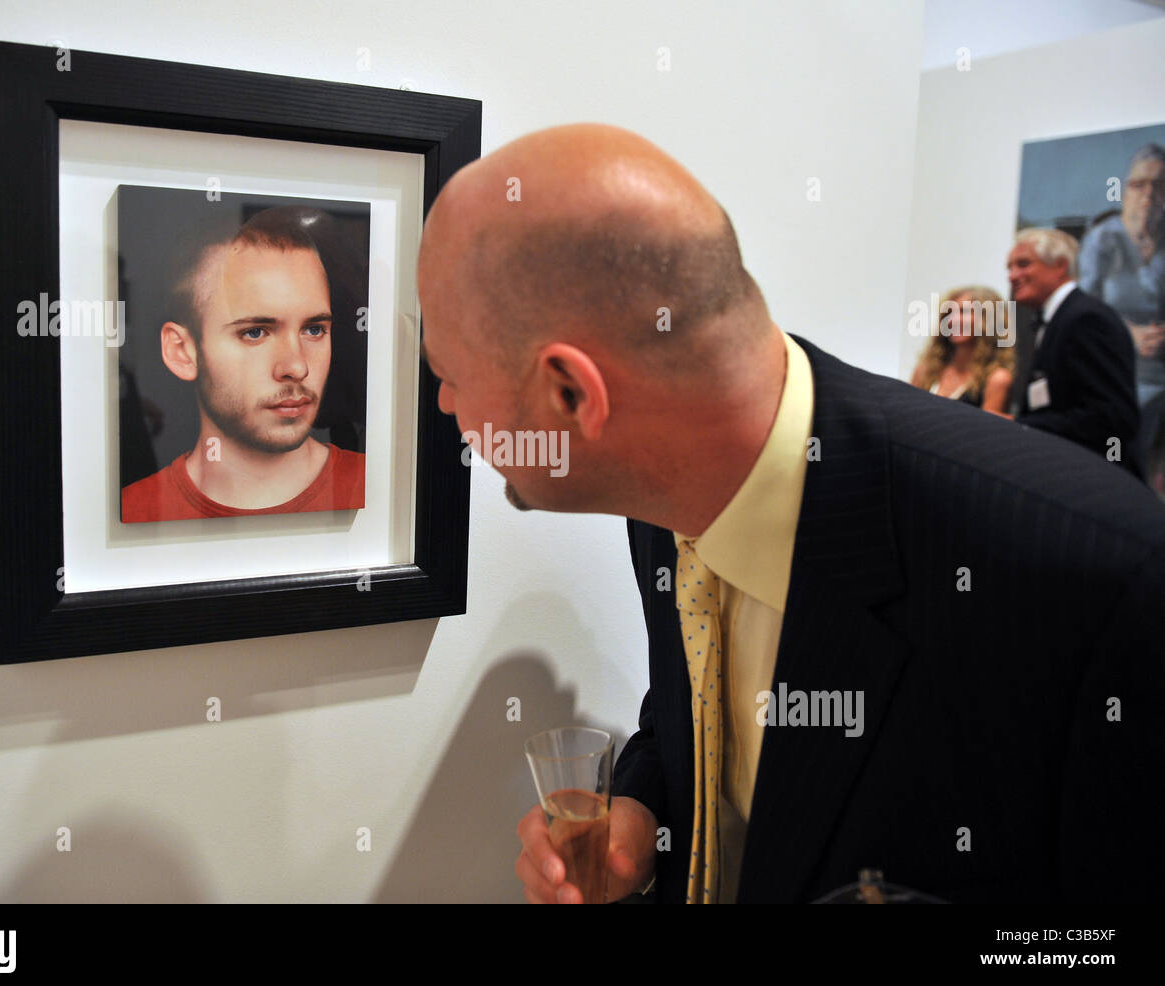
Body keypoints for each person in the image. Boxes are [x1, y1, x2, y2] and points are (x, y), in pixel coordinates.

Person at [415, 124, 1165, 903]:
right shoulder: (666, 490)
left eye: (449, 374)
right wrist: (645, 808)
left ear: (572, 394)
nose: (444, 404)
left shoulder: (1097, 581)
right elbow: (701, 705)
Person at [121, 206, 365, 522]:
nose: (297, 366)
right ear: (182, 352)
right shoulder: (131, 517)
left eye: (314, 329)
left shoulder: (383, 493)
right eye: (254, 332)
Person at [1008, 227, 1143, 478]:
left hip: (1097, 484)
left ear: (1060, 266)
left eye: (1023, 264)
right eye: (1010, 267)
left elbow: (1112, 417)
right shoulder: (1058, 319)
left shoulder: (1086, 319)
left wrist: (1018, 426)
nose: (1013, 275)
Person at [1079, 143, 1165, 495]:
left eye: (1159, 186)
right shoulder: (1104, 240)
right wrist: (1129, 333)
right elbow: (1085, 308)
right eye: (1138, 185)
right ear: (1125, 189)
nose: (1148, 195)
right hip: (1114, 368)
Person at [909, 285, 1014, 415]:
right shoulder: (926, 369)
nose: (953, 320)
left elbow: (988, 430)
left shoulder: (997, 379)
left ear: (990, 320)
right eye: (949, 313)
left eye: (964, 312)